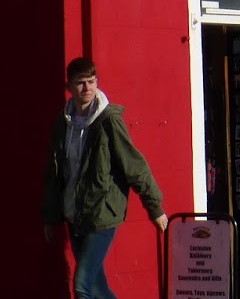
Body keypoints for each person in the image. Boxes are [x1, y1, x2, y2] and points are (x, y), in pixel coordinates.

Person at [41, 57, 168, 299]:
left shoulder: (108, 120)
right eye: (80, 83)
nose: (87, 88)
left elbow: (134, 165)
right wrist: (50, 216)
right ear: (69, 87)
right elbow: (55, 172)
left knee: (82, 286)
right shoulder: (63, 123)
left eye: (91, 81)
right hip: (74, 214)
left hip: (102, 213)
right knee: (97, 289)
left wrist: (155, 207)